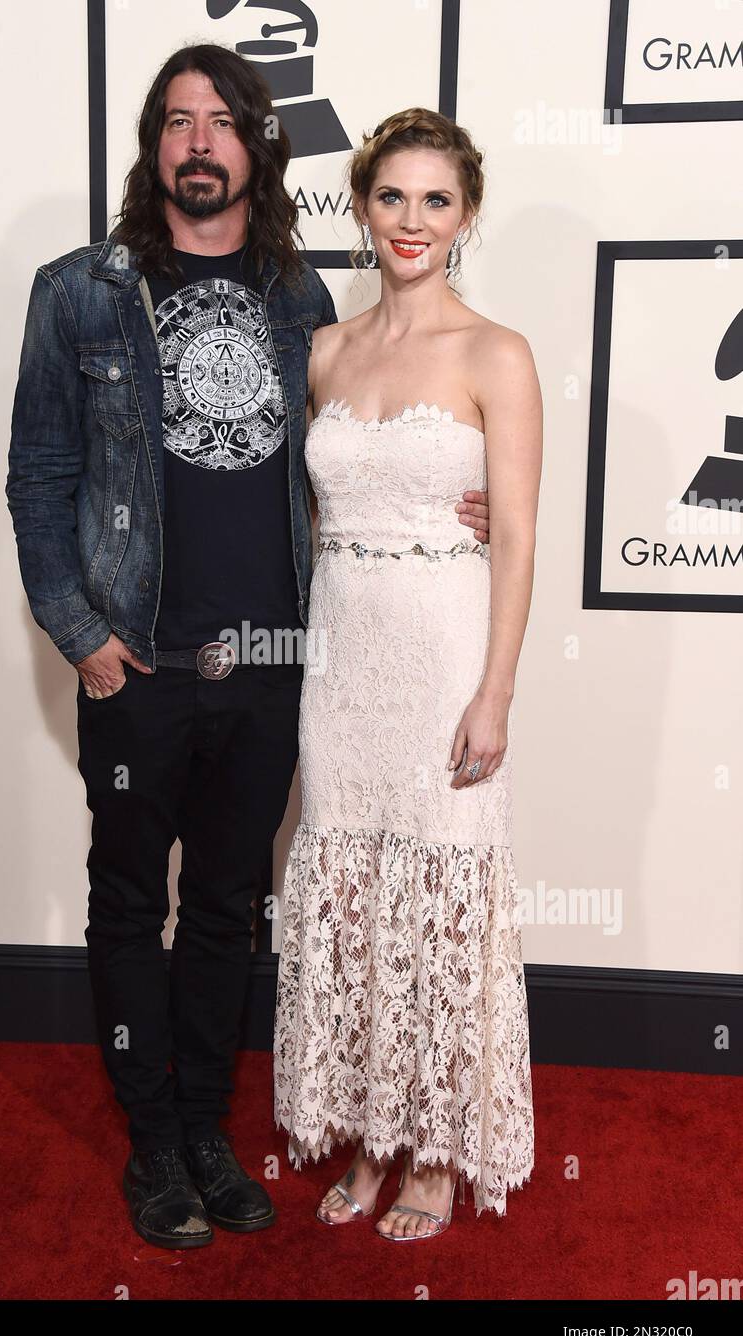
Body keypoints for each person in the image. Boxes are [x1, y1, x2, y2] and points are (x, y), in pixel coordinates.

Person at [6, 48, 491, 1250]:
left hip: (276, 662)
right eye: (178, 123)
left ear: (255, 147)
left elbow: (353, 461)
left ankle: (210, 1129)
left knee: (229, 905)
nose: (200, 143)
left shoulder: (299, 300)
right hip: (140, 661)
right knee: (129, 904)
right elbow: (38, 477)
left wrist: (449, 509)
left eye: (222, 122)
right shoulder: (77, 290)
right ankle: (153, 1140)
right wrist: (83, 636)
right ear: (151, 145)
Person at [273, 108, 540, 1239]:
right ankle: (370, 1136)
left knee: (438, 891)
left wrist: (496, 693)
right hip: (340, 655)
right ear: (361, 207)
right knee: (346, 892)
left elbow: (520, 536)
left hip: (441, 652)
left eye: (436, 200)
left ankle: (433, 1152)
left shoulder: (496, 352)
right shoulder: (327, 348)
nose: (412, 220)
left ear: (466, 214)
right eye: (392, 197)